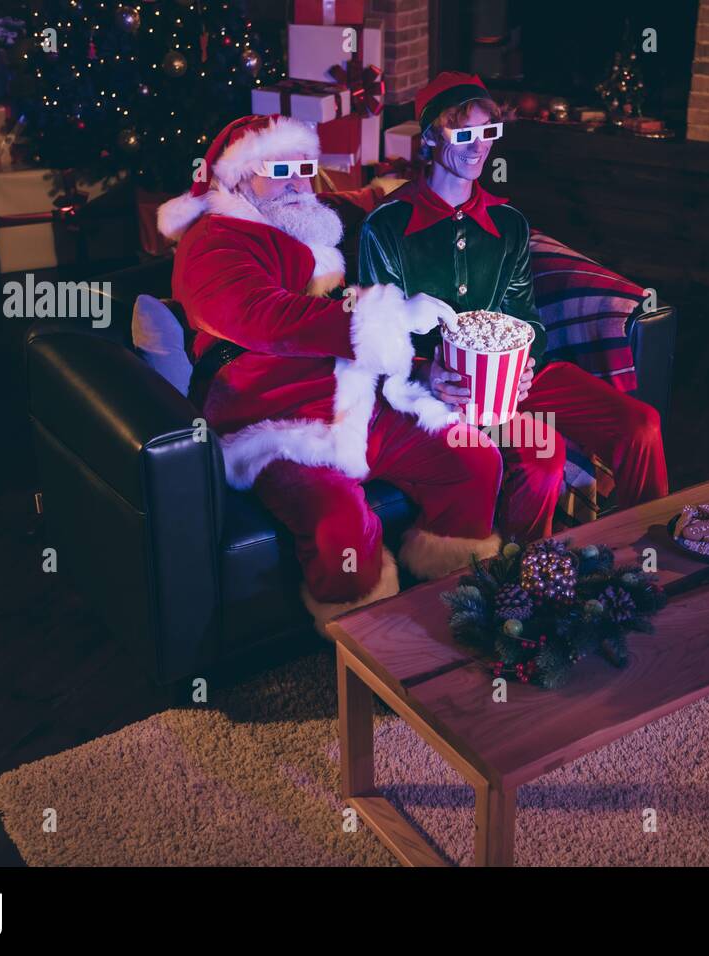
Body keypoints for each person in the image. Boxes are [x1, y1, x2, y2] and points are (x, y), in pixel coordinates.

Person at [157, 114, 502, 629]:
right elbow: (266, 316)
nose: (298, 181)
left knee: (475, 462)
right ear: (236, 178)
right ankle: (366, 648)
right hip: (273, 420)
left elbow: (346, 312)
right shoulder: (214, 241)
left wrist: (420, 368)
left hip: (356, 401)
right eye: (279, 168)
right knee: (340, 525)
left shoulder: (303, 230)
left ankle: (456, 608)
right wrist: (395, 313)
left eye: (304, 167)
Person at [359, 73, 669, 541]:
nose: (478, 148)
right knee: (543, 462)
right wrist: (424, 372)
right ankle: (522, 582)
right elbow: (372, 334)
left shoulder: (508, 224)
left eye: (488, 133)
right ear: (428, 137)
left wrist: (527, 362)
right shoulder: (385, 227)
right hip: (443, 392)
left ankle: (652, 554)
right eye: (463, 134)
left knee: (640, 424)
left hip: (518, 379)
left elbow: (526, 316)